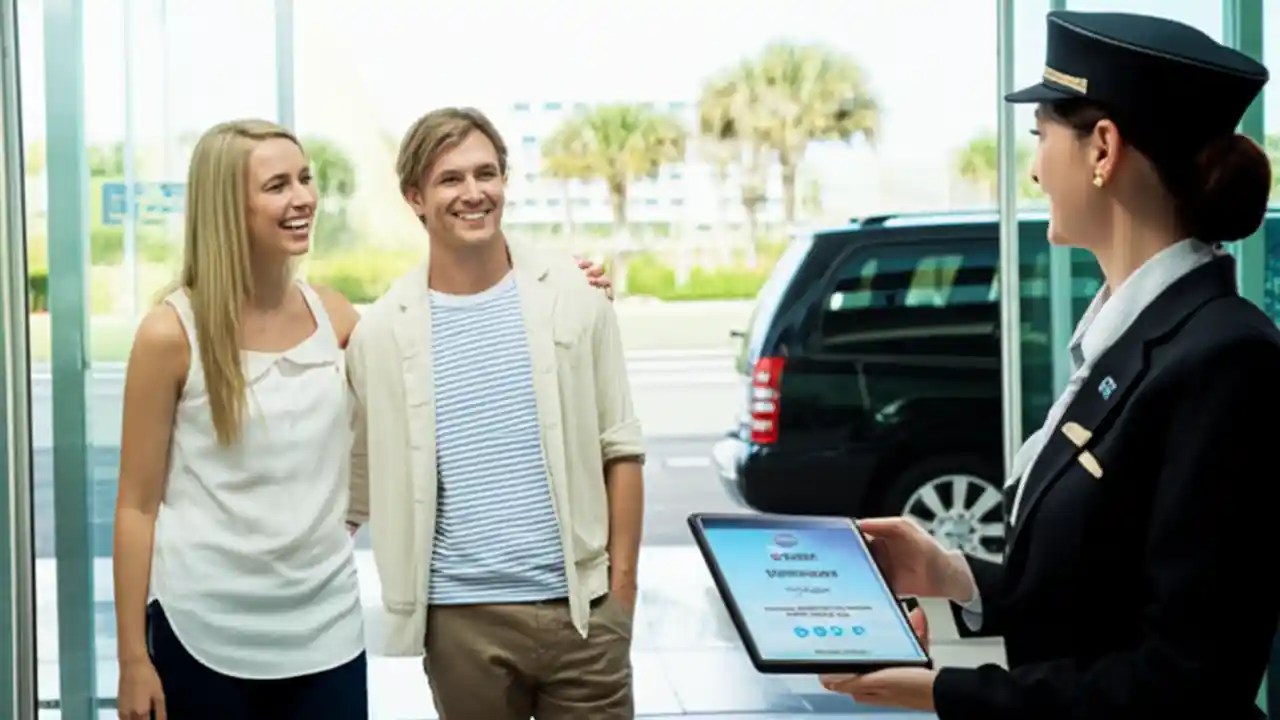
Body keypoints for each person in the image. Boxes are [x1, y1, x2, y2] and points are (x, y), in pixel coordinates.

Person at [821, 11, 1280, 719]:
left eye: (1040, 137)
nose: (1033, 169)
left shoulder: (1226, 358)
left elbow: (1187, 680)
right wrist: (952, 576)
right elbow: (1096, 603)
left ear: (1102, 149)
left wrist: (945, 692)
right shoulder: (1127, 338)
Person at [111, 118, 612, 720]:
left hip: (324, 630)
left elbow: (438, 342)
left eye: (305, 179)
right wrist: (134, 660)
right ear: (227, 206)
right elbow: (136, 507)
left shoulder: (335, 316)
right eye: (276, 186)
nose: (302, 199)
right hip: (202, 631)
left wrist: (563, 285)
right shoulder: (170, 334)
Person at [343, 106, 646, 719]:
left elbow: (621, 445)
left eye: (487, 173)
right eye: (450, 179)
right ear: (415, 198)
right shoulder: (381, 332)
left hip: (584, 612)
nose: (474, 193)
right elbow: (356, 482)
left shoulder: (574, 296)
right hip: (461, 623)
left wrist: (622, 594)